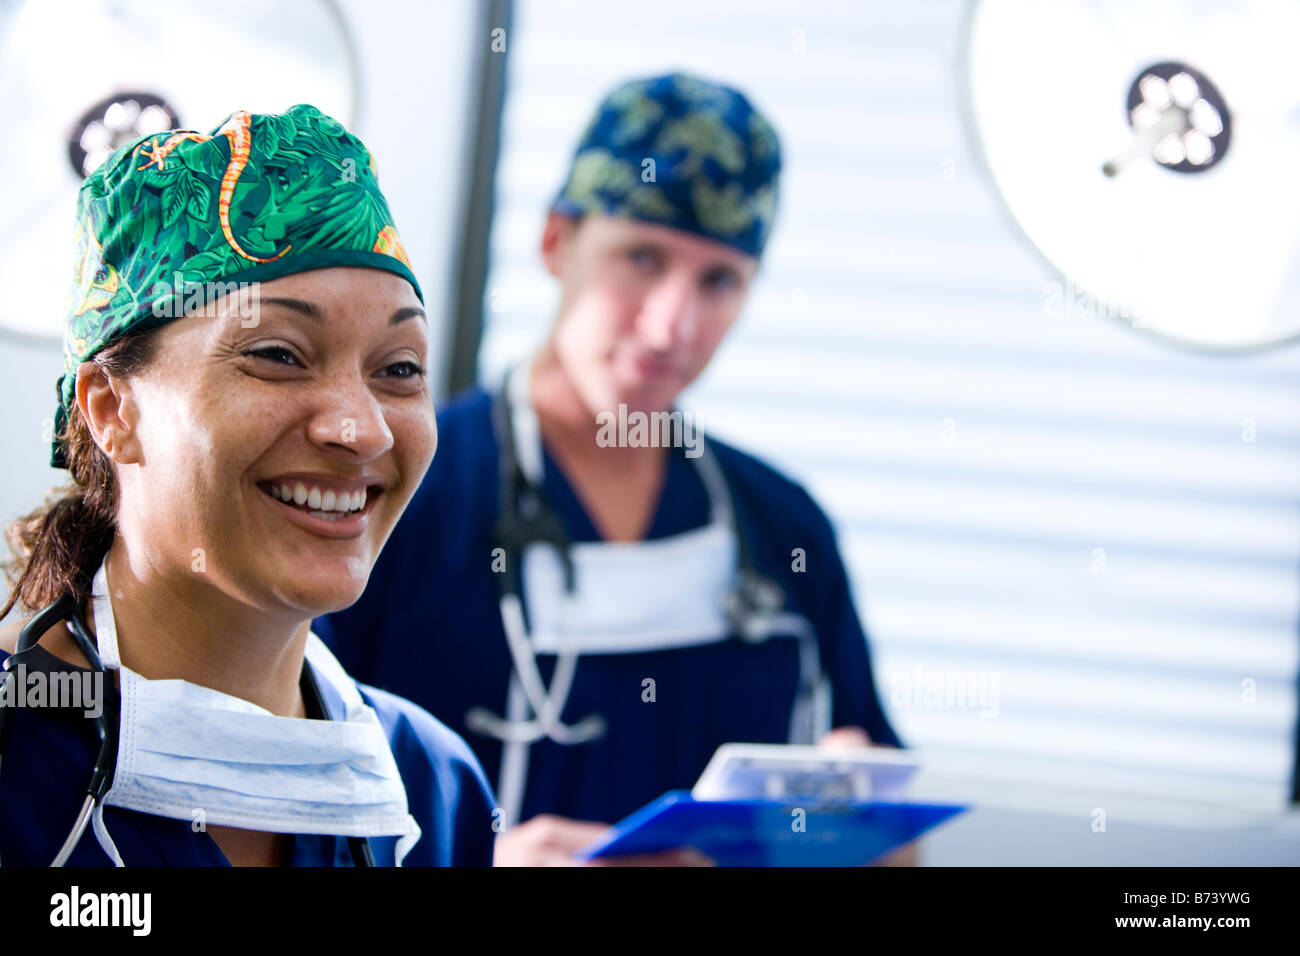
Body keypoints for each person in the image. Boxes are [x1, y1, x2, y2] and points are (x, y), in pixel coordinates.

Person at [315, 73, 903, 866]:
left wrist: (857, 833)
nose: (672, 325)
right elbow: (276, 823)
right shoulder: (392, 497)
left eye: (719, 280)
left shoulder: (786, 526)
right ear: (557, 240)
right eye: (642, 257)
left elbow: (890, 836)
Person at [0, 105, 495, 866]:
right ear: (111, 409)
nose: (361, 431)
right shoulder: (20, 760)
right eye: (278, 355)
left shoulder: (432, 789)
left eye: (399, 369)